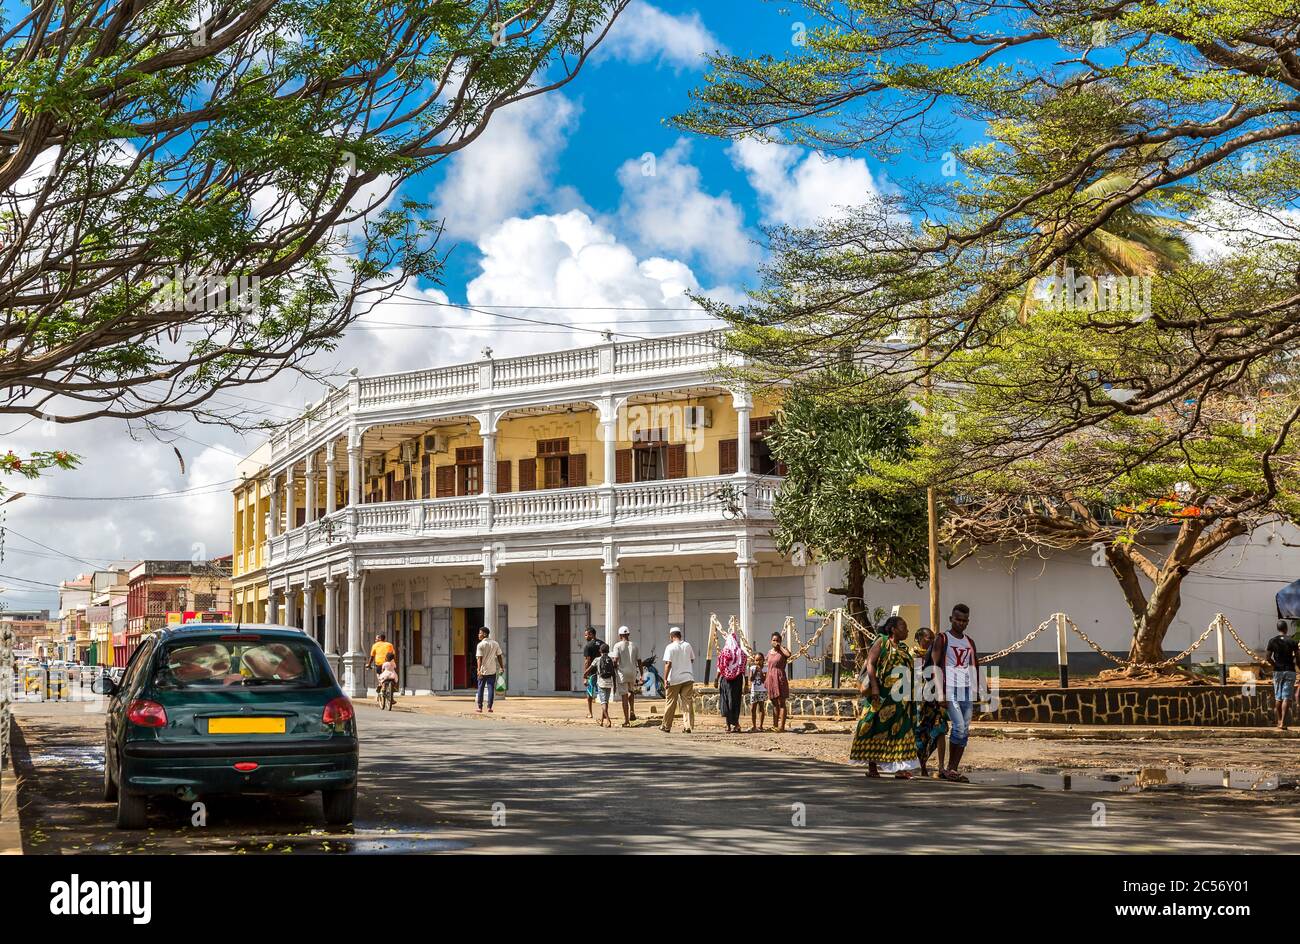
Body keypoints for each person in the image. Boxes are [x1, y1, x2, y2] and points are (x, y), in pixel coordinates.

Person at [849, 615, 920, 778]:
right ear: (893, 629)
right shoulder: (882, 641)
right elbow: (871, 664)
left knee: (901, 730)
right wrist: (874, 687)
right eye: (903, 627)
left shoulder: (902, 647)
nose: (907, 630)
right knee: (874, 726)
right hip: (881, 695)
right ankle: (872, 766)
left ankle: (900, 769)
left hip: (901, 699)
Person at [931, 603, 979, 783]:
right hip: (949, 687)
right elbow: (935, 666)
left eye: (964, 620)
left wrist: (978, 688)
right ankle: (949, 768)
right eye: (958, 619)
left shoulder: (969, 642)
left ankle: (952, 768)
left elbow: (973, 665)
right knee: (958, 726)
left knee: (964, 729)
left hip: (966, 689)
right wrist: (939, 693)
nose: (961, 623)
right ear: (951, 619)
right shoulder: (942, 639)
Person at [911, 627, 948, 778]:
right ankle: (923, 766)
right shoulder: (911, 655)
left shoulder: (936, 655)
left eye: (933, 638)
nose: (932, 641)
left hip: (935, 699)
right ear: (919, 638)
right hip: (919, 701)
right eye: (928, 638)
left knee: (941, 729)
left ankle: (941, 766)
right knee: (920, 734)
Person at [659, 627, 696, 733]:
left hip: (674, 679)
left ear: (671, 636)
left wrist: (665, 679)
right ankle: (687, 726)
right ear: (680, 635)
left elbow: (668, 664)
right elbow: (692, 659)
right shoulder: (687, 645)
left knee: (670, 702)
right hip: (688, 678)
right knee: (687, 703)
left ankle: (666, 726)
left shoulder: (670, 647)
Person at [1267, 620, 1299, 730]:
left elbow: (1268, 657)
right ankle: (1283, 723)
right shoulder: (1292, 641)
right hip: (1290, 671)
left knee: (1278, 697)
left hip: (1277, 671)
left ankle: (1279, 720)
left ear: (1278, 629)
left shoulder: (1272, 641)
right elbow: (1298, 657)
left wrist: (1275, 665)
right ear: (1286, 629)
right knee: (1286, 697)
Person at [715, 628, 747, 733]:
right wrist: (746, 683)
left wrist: (716, 679)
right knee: (735, 702)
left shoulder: (724, 653)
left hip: (725, 681)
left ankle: (729, 725)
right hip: (737, 680)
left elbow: (720, 668)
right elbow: (743, 670)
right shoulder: (741, 653)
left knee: (726, 702)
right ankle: (736, 724)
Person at [611, 626, 642, 727]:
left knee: (624, 695)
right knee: (631, 691)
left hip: (622, 674)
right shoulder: (635, 645)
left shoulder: (617, 646)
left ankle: (626, 720)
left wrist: (613, 666)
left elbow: (615, 660)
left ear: (620, 636)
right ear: (628, 634)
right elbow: (639, 661)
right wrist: (642, 674)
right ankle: (632, 710)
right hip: (633, 672)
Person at [765, 631, 792, 733]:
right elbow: (767, 664)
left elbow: (788, 655)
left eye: (777, 640)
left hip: (780, 678)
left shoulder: (783, 651)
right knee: (774, 703)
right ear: (771, 641)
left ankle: (782, 727)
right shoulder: (769, 652)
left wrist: (780, 647)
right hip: (771, 678)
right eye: (774, 640)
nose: (775, 642)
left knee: (781, 703)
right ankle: (775, 725)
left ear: (780, 641)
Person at [475, 626, 504, 713]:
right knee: (491, 688)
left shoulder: (480, 645)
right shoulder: (495, 643)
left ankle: (480, 707)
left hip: (483, 671)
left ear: (484, 634)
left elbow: (479, 658)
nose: (478, 635)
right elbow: (499, 656)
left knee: (480, 688)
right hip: (492, 670)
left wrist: (478, 670)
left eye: (480, 633)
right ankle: (489, 707)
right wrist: (502, 667)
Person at [588, 642, 616, 727]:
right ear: (608, 651)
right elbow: (613, 673)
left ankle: (608, 720)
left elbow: (590, 668)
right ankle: (602, 721)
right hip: (609, 683)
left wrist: (585, 674)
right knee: (605, 702)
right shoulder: (610, 659)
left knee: (603, 703)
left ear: (600, 650)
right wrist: (615, 685)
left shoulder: (597, 659)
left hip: (601, 683)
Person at [581, 626, 601, 719]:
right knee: (602, 693)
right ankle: (604, 714)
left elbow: (587, 661)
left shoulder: (588, 646)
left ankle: (590, 713)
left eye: (586, 635)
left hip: (592, 673)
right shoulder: (602, 643)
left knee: (589, 693)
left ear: (591, 634)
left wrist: (585, 675)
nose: (585, 637)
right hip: (602, 673)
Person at [747, 653, 768, 731]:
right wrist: (755, 671)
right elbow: (751, 679)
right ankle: (754, 725)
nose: (758, 662)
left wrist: (761, 671)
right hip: (754, 690)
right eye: (756, 660)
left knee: (761, 707)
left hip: (762, 690)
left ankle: (761, 726)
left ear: (763, 660)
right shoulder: (752, 668)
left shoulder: (766, 668)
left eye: (760, 660)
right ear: (754, 661)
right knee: (753, 708)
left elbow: (764, 680)